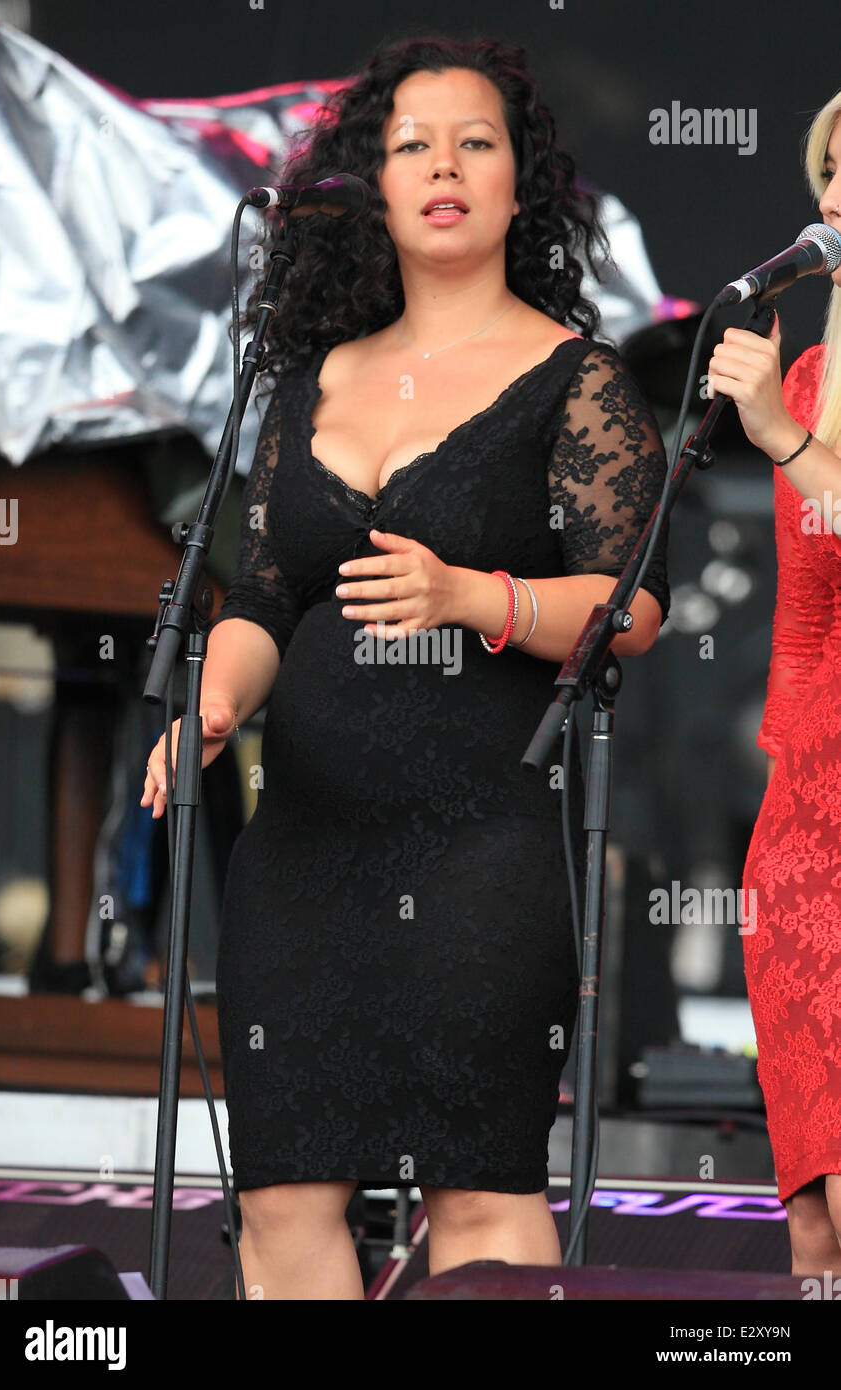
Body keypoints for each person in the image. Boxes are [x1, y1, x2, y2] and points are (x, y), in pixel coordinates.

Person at [142, 35, 669, 1300]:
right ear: (370, 186)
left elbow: (631, 610)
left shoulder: (577, 382)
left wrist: (467, 595)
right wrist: (216, 697)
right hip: (306, 842)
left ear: (518, 184)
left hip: (483, 844)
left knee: (477, 1183)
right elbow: (268, 590)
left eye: (473, 141)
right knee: (279, 1191)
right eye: (410, 145)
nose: (442, 165)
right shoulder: (305, 380)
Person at [707, 88, 841, 1278]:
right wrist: (785, 782)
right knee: (808, 1207)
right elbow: (802, 616)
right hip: (807, 823)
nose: (840, 198)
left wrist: (786, 446)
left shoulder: (790, 419)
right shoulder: (803, 379)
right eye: (835, 171)